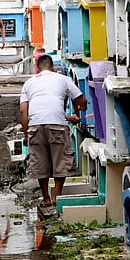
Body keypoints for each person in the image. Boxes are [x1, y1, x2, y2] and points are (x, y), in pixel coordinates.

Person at [19, 54, 87, 218]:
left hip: (35, 125)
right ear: (52, 67)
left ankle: (46, 199)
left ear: (37, 68)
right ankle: (57, 196)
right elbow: (81, 100)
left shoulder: (29, 83)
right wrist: (79, 112)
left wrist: (26, 134)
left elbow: (23, 111)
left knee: (40, 162)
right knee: (60, 160)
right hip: (56, 125)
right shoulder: (62, 79)